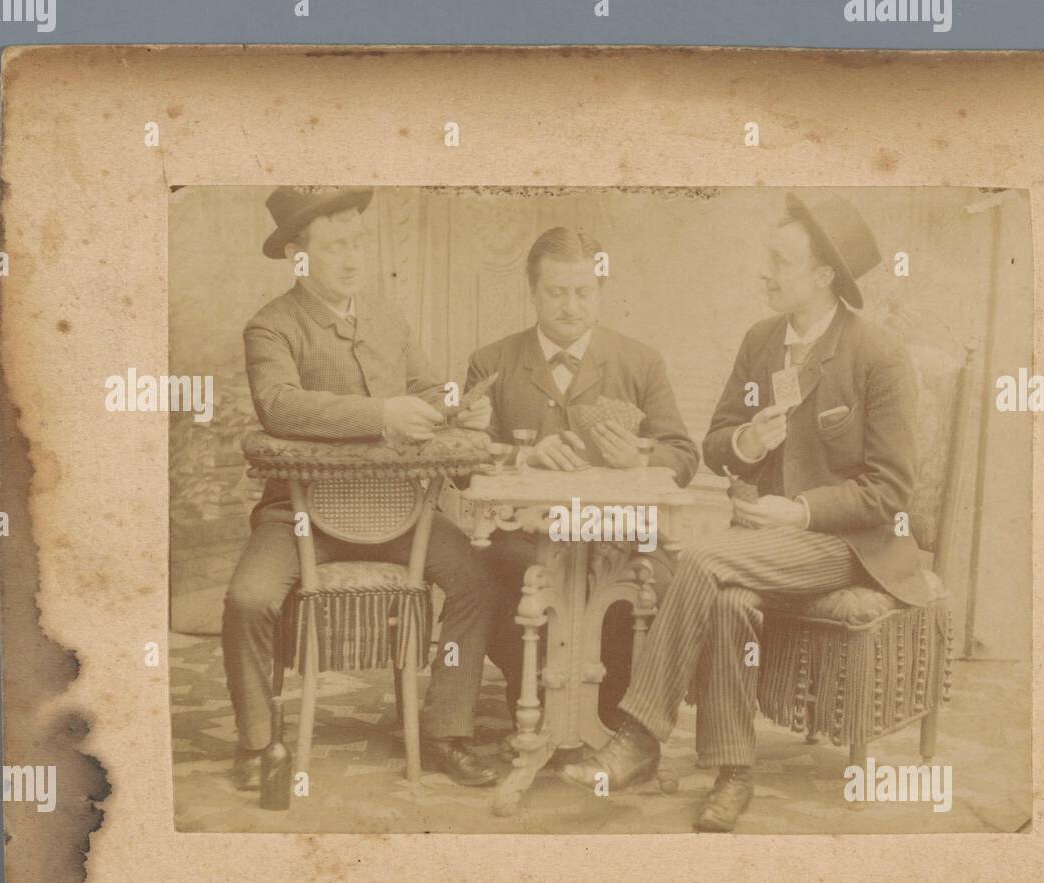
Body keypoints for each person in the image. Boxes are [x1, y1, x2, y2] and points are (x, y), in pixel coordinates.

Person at [561, 193, 931, 832]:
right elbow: (712, 445)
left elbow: (893, 491)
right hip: (766, 545)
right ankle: (734, 774)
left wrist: (800, 512)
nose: (764, 271)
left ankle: (639, 736)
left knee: (703, 559)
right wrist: (746, 444)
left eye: (780, 261)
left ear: (822, 277)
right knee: (728, 599)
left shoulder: (877, 355)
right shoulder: (761, 344)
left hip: (851, 547)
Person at [223, 186, 500, 790]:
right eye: (335, 248)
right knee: (247, 600)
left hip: (401, 515)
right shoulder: (270, 327)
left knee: (478, 582)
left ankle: (448, 731)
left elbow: (427, 391)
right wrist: (382, 416)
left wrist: (458, 410)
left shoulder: (387, 318)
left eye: (358, 245)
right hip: (301, 521)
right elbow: (279, 406)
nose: (352, 260)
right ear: (299, 257)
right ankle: (258, 743)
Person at [465, 226, 698, 730]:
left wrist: (640, 459)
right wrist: (523, 457)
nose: (571, 306)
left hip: (621, 536)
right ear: (532, 292)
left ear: (600, 290)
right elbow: (464, 459)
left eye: (583, 293)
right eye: (556, 293)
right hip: (527, 538)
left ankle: (623, 713)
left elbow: (683, 455)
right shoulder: (493, 363)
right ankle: (540, 707)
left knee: (661, 581)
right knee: (501, 577)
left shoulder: (640, 362)